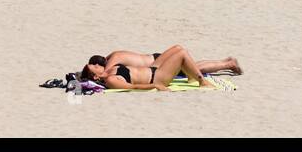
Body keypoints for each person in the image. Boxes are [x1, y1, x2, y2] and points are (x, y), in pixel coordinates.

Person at [85, 46, 216, 91]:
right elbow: (133, 87)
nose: (98, 65)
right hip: (156, 77)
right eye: (95, 67)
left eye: (95, 64)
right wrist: (156, 85)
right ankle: (202, 82)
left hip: (153, 68)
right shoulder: (111, 80)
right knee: (182, 54)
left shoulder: (109, 69)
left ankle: (191, 76)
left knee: (178, 48)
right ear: (96, 76)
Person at [80, 48, 241, 84]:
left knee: (194, 68)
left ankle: (228, 63)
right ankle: (225, 62)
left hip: (156, 66)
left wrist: (86, 77)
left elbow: (104, 75)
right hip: (154, 61)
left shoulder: (112, 62)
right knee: (194, 65)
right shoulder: (114, 55)